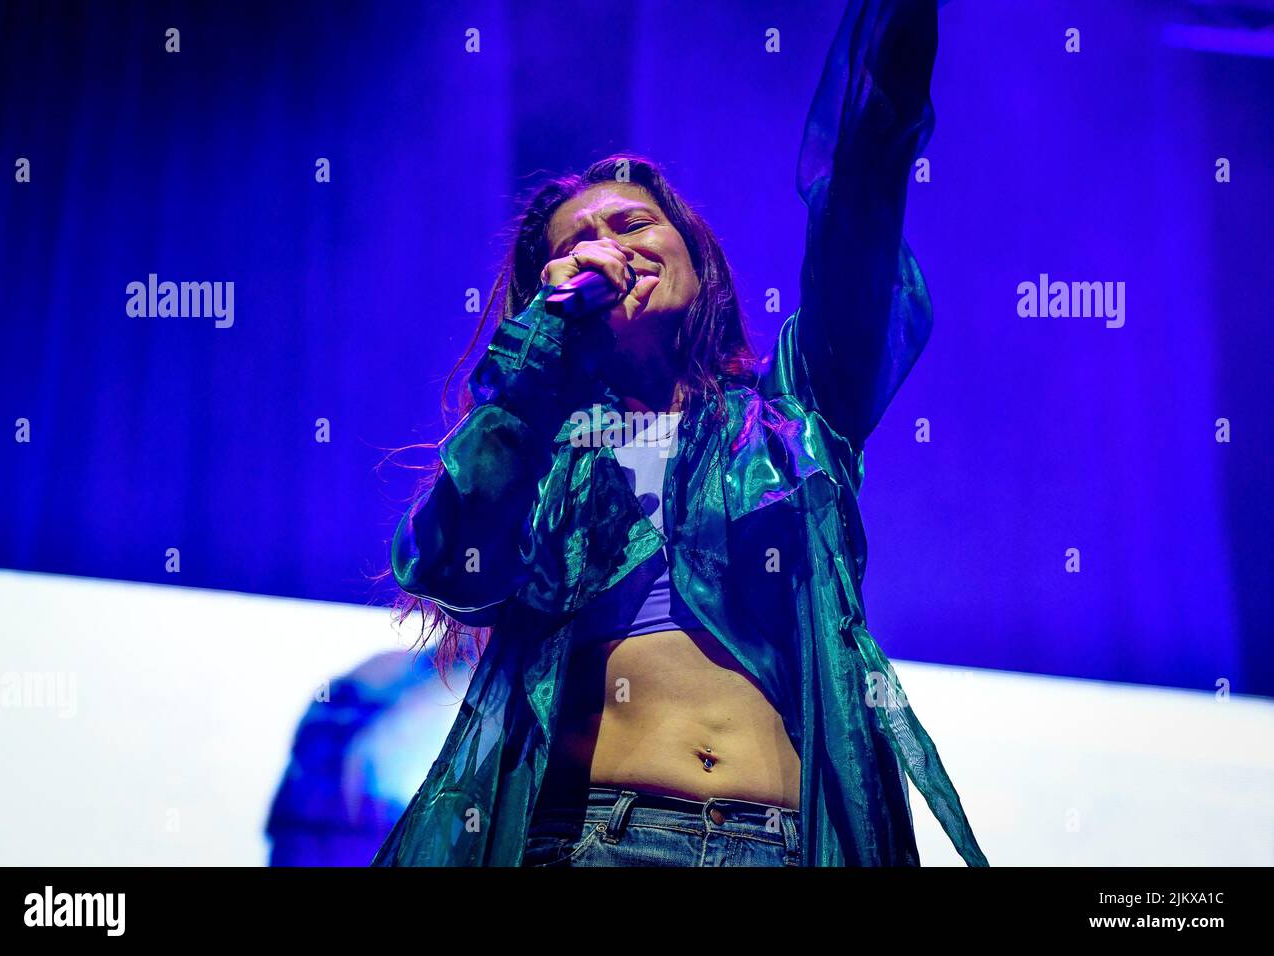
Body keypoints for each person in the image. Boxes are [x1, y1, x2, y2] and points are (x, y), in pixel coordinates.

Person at [372, 0, 989, 867]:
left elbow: (862, 195)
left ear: (698, 267)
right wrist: (548, 344)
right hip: (596, 842)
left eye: (631, 225)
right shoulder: (543, 458)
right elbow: (452, 563)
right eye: (577, 242)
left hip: (781, 848)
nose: (606, 246)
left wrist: (895, 39)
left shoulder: (793, 421)